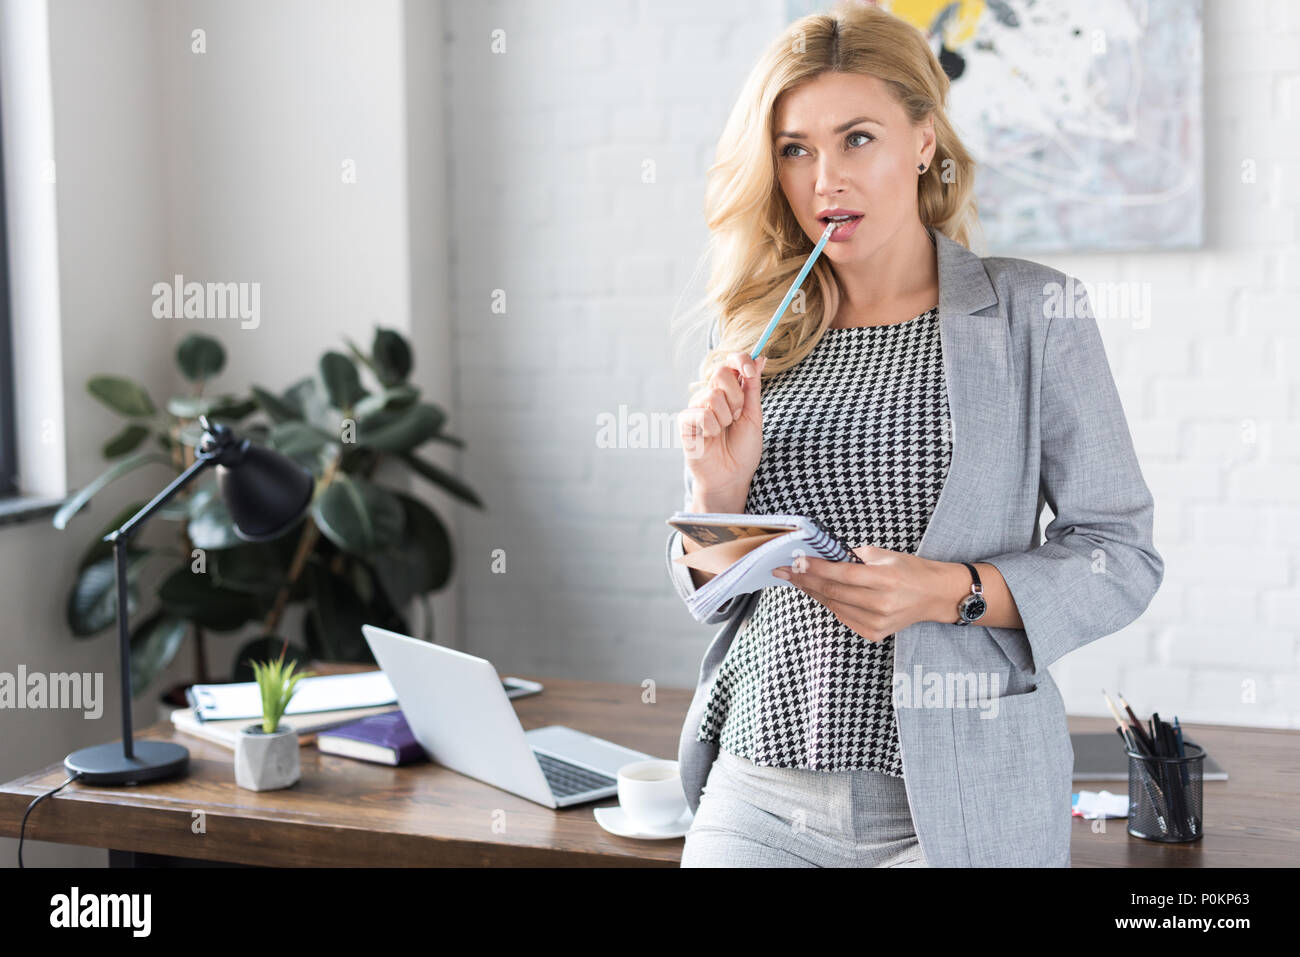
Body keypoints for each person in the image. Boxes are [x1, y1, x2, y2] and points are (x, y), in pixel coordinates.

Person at [666, 0, 1164, 867]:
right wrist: (715, 494)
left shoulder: (1033, 313)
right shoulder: (754, 332)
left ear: (924, 138)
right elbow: (715, 593)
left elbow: (1120, 554)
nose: (826, 179)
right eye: (795, 149)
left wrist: (949, 592)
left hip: (958, 799)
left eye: (858, 138)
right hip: (758, 787)